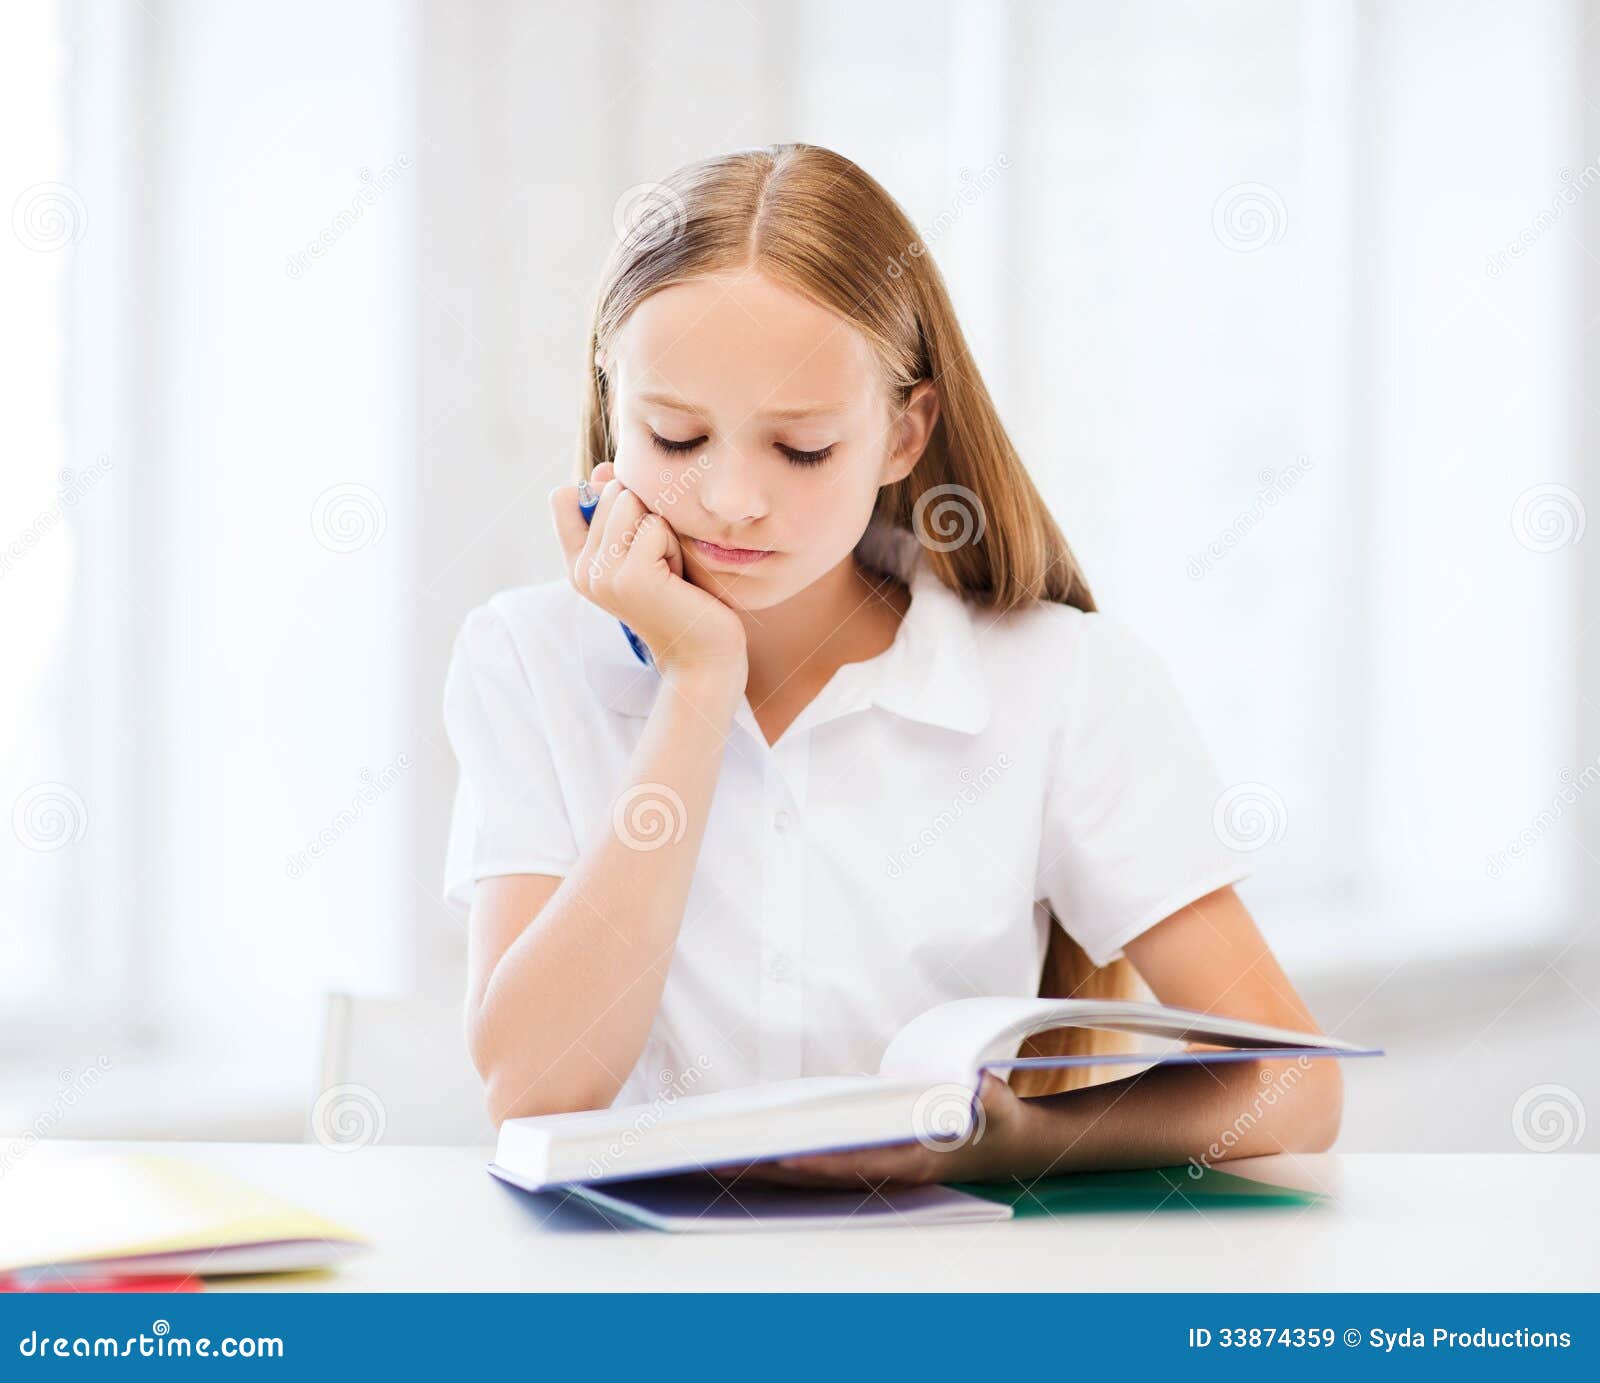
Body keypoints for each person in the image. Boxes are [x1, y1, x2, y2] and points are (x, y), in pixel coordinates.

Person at [442, 143, 1340, 1187]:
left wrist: (1021, 1142)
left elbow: (1297, 1089)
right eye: (676, 436)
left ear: (904, 434)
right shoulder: (526, 655)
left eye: (803, 448)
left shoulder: (1063, 681)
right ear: (613, 408)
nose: (733, 498)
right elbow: (531, 1091)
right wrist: (696, 685)